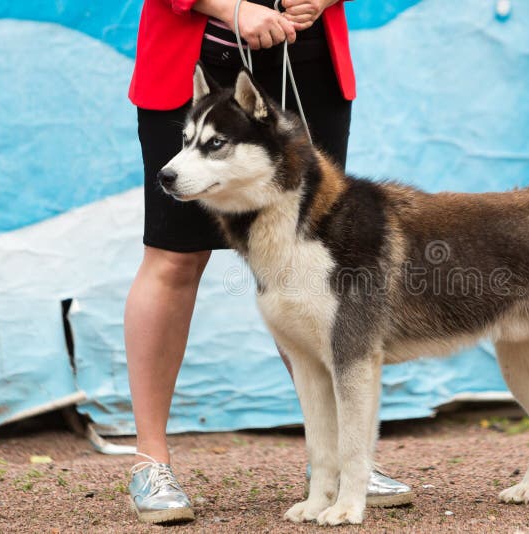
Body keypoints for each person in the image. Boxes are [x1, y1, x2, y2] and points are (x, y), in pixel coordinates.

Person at [124, 0, 412, 524]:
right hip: (193, 49)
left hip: (306, 58)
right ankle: (151, 461)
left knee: (309, 266)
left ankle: (342, 464)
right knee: (173, 257)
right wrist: (227, 7)